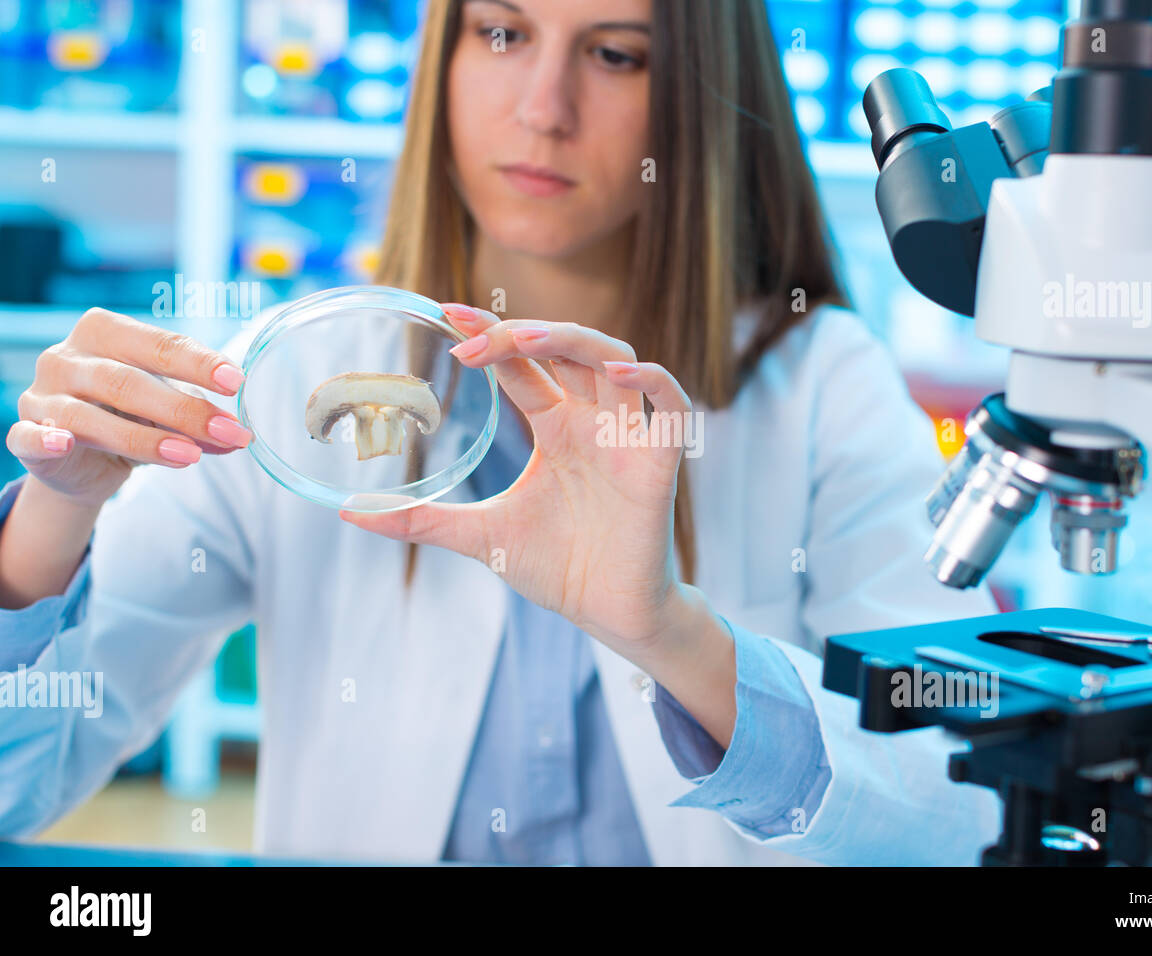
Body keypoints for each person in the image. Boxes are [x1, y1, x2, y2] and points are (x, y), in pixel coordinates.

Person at [0, 0, 997, 865]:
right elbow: (17, 786)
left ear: (698, 93)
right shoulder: (302, 374)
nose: (541, 108)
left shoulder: (824, 385)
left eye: (614, 53)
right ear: (443, 56)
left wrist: (670, 632)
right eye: (502, 31)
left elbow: (961, 813)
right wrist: (56, 508)